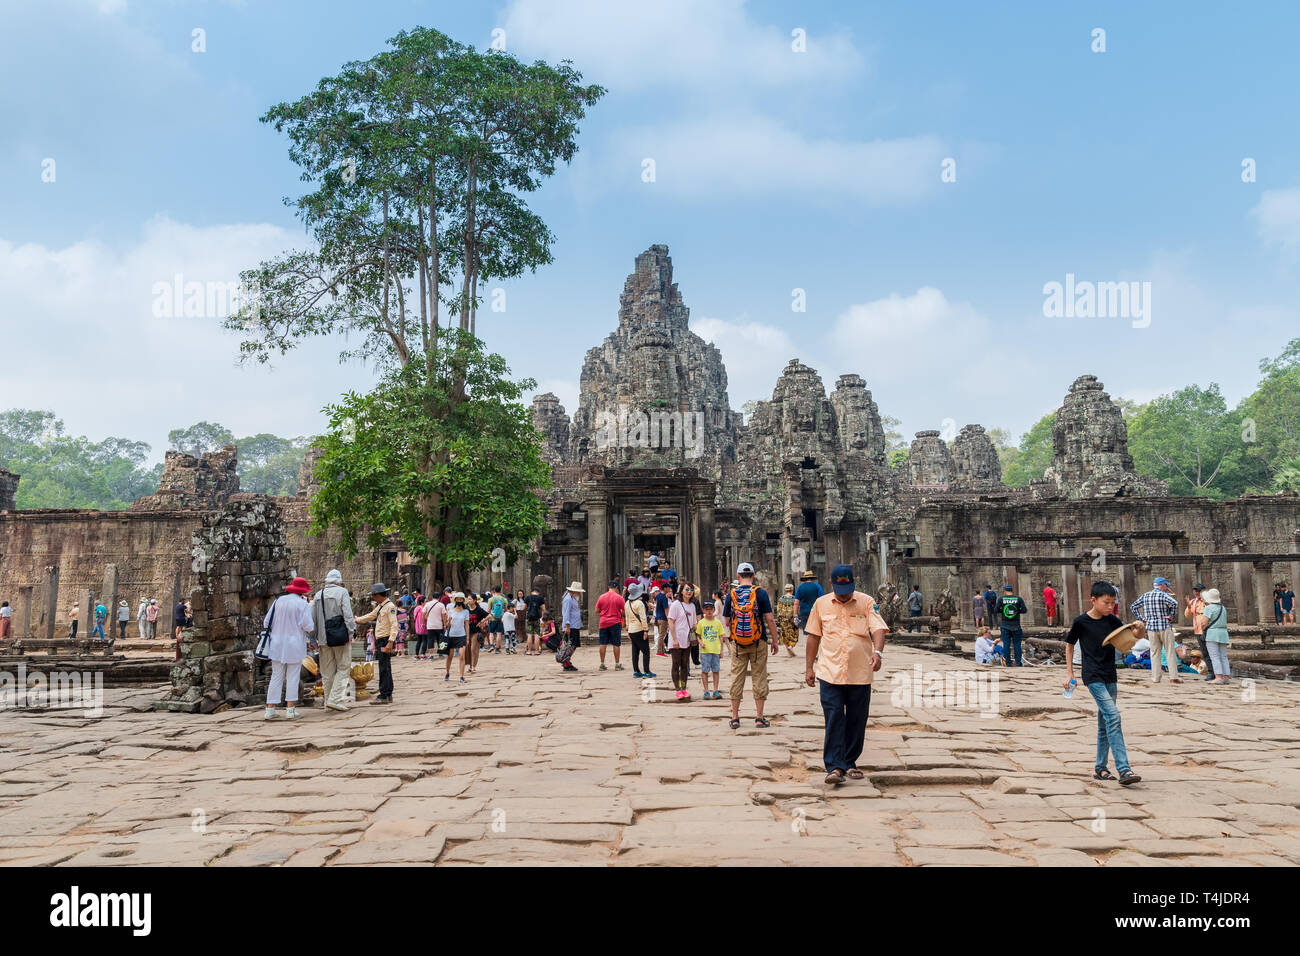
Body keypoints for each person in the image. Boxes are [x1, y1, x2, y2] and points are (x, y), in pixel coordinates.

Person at [803, 564, 888, 786]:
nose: (844, 596)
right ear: (831, 584)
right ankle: (834, 766)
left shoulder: (866, 602)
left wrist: (878, 652)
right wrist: (809, 667)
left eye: (848, 590)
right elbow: (813, 636)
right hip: (830, 672)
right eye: (841, 592)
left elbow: (878, 629)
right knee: (833, 717)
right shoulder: (821, 604)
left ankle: (850, 761)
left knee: (856, 719)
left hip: (859, 672)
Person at [1064, 581, 1141, 786]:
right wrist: (1070, 673)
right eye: (1106, 602)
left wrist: (1139, 629)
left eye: (1113, 603)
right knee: (1113, 717)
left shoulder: (1112, 620)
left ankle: (1100, 768)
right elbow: (1069, 645)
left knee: (1105, 723)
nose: (1110, 607)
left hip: (1110, 675)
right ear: (1093, 600)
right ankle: (1124, 769)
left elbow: (1133, 638)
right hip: (1092, 676)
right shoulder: (1081, 621)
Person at [722, 562, 778, 729]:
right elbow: (769, 619)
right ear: (753, 576)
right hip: (758, 641)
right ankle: (759, 717)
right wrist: (774, 640)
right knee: (759, 677)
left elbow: (726, 620)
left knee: (736, 677)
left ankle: (735, 717)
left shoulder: (731, 595)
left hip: (737, 643)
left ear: (738, 577)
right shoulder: (760, 593)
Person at [262, 576, 315, 720]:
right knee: (293, 676)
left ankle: (270, 709)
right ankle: (290, 709)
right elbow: (309, 626)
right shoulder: (302, 604)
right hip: (294, 644)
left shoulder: (278, 601)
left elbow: (267, 623)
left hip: (277, 644)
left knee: (276, 676)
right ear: (302, 591)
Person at [311, 569, 356, 711]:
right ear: (339, 581)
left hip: (323, 639)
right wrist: (351, 632)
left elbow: (313, 619)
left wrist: (313, 637)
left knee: (327, 672)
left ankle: (328, 703)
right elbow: (348, 615)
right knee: (343, 667)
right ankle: (335, 699)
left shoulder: (318, 595)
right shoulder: (342, 592)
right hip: (340, 637)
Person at [1130, 576, 1181, 685]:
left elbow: (1133, 606)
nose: (1166, 587)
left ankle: (1156, 677)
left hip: (1151, 627)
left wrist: (1142, 619)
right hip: (1164, 626)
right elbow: (1175, 603)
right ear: (1162, 585)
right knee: (1170, 652)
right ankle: (1173, 677)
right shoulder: (1163, 595)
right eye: (1166, 585)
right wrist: (1171, 615)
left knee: (1154, 653)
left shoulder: (1146, 595)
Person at [354, 583, 399, 703]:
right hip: (381, 639)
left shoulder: (390, 607)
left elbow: (394, 625)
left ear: (378, 595)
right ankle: (387, 693)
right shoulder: (381, 607)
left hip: (385, 639)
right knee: (385, 667)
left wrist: (390, 642)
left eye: (374, 595)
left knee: (384, 668)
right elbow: (371, 616)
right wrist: (358, 620)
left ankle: (384, 694)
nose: (373, 598)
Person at [666, 585, 697, 700]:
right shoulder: (676, 605)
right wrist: (674, 639)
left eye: (691, 590)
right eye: (687, 589)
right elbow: (670, 621)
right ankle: (677, 690)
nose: (689, 592)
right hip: (676, 638)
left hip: (687, 639)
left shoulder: (692, 606)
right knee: (676, 664)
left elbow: (694, 624)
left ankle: (683, 689)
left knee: (685, 665)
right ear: (681, 591)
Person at [1201, 588, 1232, 685]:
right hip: (1223, 632)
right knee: (1223, 656)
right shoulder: (1223, 608)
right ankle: (1226, 676)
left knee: (1214, 656)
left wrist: (1202, 628)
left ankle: (1218, 676)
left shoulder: (1208, 608)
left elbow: (1204, 623)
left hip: (1212, 633)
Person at [1185, 583, 1214, 682]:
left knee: (1212, 652)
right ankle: (1211, 672)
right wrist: (1189, 606)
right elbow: (1188, 616)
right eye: (1196, 591)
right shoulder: (1193, 602)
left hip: (1207, 630)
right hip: (1198, 630)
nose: (1197, 593)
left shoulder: (1209, 602)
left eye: (1199, 591)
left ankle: (1215, 672)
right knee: (1205, 652)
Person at [696, 600, 725, 698]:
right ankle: (706, 691)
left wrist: (721, 650)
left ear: (714, 610)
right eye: (706, 609)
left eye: (711, 609)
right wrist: (701, 642)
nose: (709, 611)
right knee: (705, 671)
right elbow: (698, 636)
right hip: (705, 651)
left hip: (715, 650)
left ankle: (716, 690)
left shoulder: (718, 623)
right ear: (703, 610)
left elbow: (721, 637)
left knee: (716, 671)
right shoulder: (701, 623)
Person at [596, 579, 625, 671]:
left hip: (603, 622)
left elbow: (596, 610)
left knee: (602, 643)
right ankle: (617, 664)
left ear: (608, 587)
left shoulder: (601, 597)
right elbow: (624, 612)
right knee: (616, 643)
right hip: (615, 622)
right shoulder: (619, 598)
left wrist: (604, 612)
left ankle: (602, 664)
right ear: (617, 588)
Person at [994, 584, 1027, 666]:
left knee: (1006, 644)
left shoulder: (1001, 599)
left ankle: (1008, 663)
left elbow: (996, 610)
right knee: (1017, 645)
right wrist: (1017, 611)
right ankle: (1018, 663)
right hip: (1016, 625)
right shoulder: (1018, 599)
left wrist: (1003, 610)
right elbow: (1024, 610)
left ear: (1005, 591)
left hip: (1005, 625)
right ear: (1012, 591)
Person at [625, 583, 652, 677]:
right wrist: (645, 630)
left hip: (631, 630)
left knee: (635, 652)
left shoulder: (627, 603)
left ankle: (636, 671)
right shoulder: (639, 604)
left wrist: (627, 629)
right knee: (646, 652)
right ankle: (647, 671)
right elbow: (643, 618)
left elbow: (627, 618)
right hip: (639, 629)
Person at [444, 592, 470, 682]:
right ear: (455, 600)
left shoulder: (466, 612)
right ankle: (447, 672)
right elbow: (447, 625)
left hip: (461, 635)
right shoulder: (450, 610)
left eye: (461, 599)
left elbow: (467, 625)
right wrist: (448, 621)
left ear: (463, 600)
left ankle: (461, 676)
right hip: (451, 635)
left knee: (462, 656)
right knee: (450, 656)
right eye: (457, 599)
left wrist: (467, 637)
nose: (459, 600)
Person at [560, 581, 584, 672]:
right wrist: (567, 626)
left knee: (573, 645)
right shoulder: (568, 599)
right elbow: (566, 613)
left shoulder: (571, 598)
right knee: (571, 645)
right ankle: (566, 662)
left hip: (575, 625)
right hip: (571, 626)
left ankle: (567, 661)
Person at [794, 570, 823, 636]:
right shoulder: (817, 586)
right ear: (812, 578)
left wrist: (795, 616)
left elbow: (796, 603)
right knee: (815, 632)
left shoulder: (800, 587)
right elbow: (822, 599)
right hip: (815, 612)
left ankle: (808, 645)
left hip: (804, 613)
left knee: (807, 632)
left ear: (805, 579)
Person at [776, 583, 799, 656]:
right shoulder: (795, 599)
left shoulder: (780, 599)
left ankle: (789, 652)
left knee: (784, 635)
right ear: (792, 590)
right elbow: (797, 610)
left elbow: (778, 610)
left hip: (783, 619)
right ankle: (791, 647)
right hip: (792, 619)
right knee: (794, 634)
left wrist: (779, 619)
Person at [523, 586, 546, 655]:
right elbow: (544, 609)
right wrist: (542, 617)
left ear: (531, 592)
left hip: (529, 618)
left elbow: (523, 608)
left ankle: (529, 651)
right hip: (537, 618)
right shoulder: (540, 598)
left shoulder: (527, 597)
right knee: (536, 634)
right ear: (538, 593)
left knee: (529, 634)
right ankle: (536, 651)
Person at [425, 592, 447, 658]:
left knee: (430, 639)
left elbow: (423, 613)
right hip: (439, 625)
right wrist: (445, 624)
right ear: (439, 598)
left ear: (432, 597)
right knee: (440, 639)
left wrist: (423, 622)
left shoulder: (427, 604)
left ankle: (431, 655)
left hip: (430, 625)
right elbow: (444, 615)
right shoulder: (441, 605)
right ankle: (441, 653)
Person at [488, 586, 508, 654]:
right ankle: (497, 649)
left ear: (494, 591)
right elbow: (506, 610)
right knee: (499, 634)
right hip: (500, 619)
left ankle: (491, 645)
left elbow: (488, 610)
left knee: (491, 633)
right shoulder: (504, 599)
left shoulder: (491, 599)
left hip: (492, 618)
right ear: (500, 590)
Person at [653, 583, 670, 657]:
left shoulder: (658, 596)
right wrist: (669, 619)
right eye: (668, 588)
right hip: (663, 618)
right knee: (661, 635)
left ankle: (661, 650)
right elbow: (666, 609)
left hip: (658, 617)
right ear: (665, 588)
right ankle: (659, 651)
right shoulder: (664, 597)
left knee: (661, 635)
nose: (669, 590)